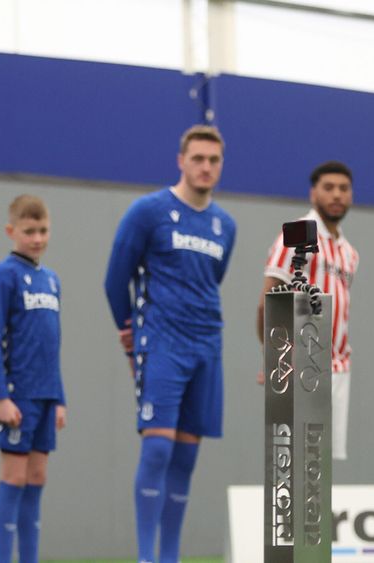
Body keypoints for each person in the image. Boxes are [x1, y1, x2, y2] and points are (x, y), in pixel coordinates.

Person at [104, 125, 236, 563]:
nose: (205, 167)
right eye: (197, 158)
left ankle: (169, 557)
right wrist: (131, 337)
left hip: (207, 347)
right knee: (157, 446)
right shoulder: (148, 211)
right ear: (181, 160)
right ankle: (146, 557)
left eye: (213, 160)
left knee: (185, 457)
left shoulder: (224, 225)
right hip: (161, 342)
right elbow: (114, 280)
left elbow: (210, 282)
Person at [0, 195, 66, 563]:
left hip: (47, 396)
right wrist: (1, 397)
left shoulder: (51, 280)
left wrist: (60, 397)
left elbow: (53, 344)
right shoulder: (5, 275)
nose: (37, 238)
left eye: (43, 230)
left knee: (36, 480)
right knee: (13, 479)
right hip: (18, 396)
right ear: (11, 231)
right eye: (29, 231)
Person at [257, 161, 358, 460]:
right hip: (302, 363)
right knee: (298, 455)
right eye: (329, 188)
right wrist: (273, 357)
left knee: (323, 459)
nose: (337, 195)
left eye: (343, 189)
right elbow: (267, 300)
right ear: (313, 193)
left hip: (339, 366)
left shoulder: (350, 253)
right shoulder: (295, 238)